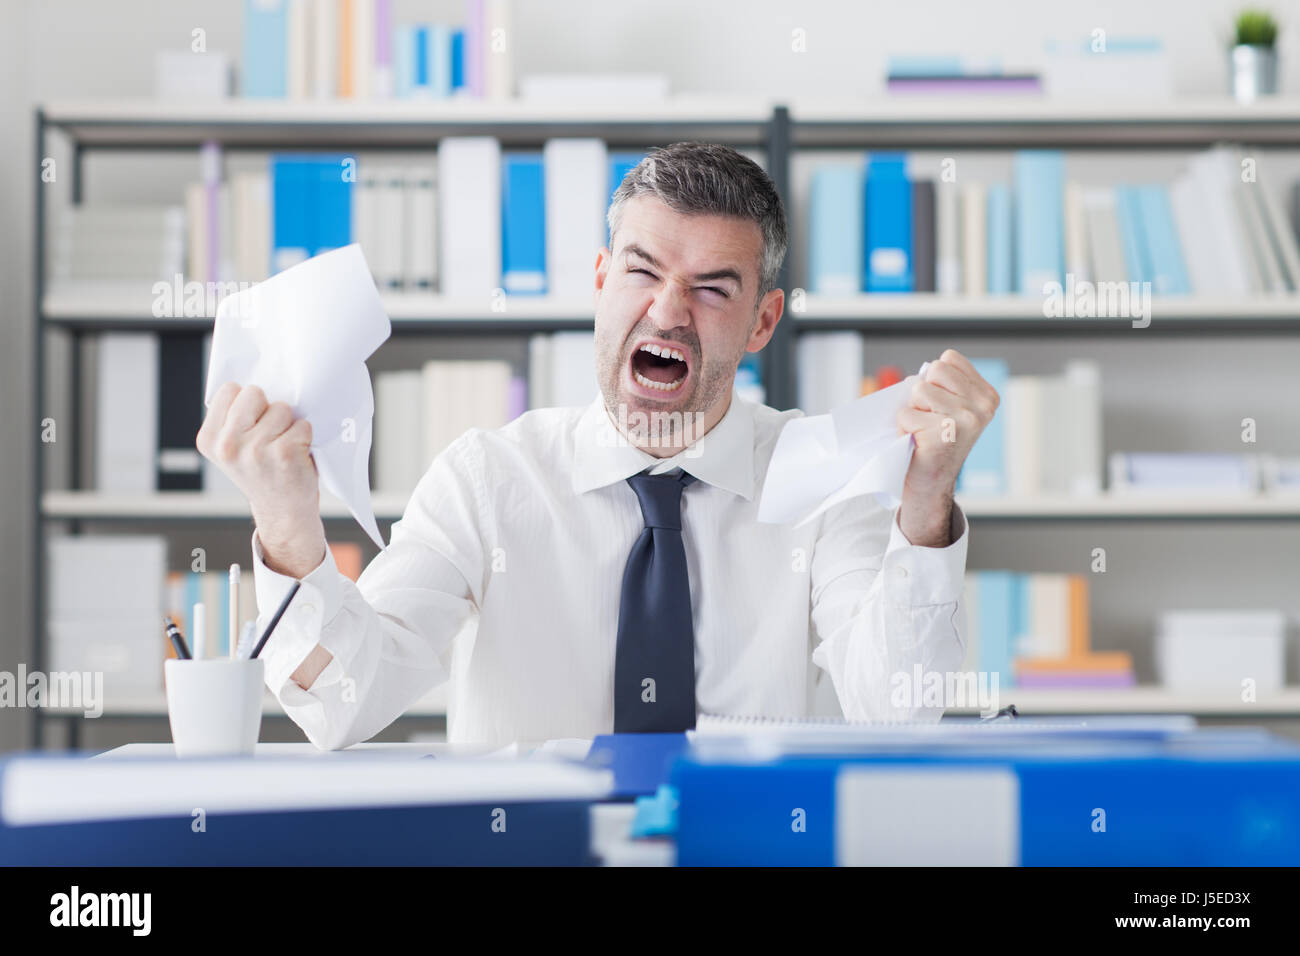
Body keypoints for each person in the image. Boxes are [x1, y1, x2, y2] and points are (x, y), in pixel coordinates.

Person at [197, 141, 999, 749]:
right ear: (600, 281)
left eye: (713, 288)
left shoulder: (825, 483)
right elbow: (342, 703)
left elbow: (902, 710)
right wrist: (289, 529)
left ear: (762, 322)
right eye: (641, 271)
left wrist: (925, 505)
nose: (667, 311)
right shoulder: (488, 480)